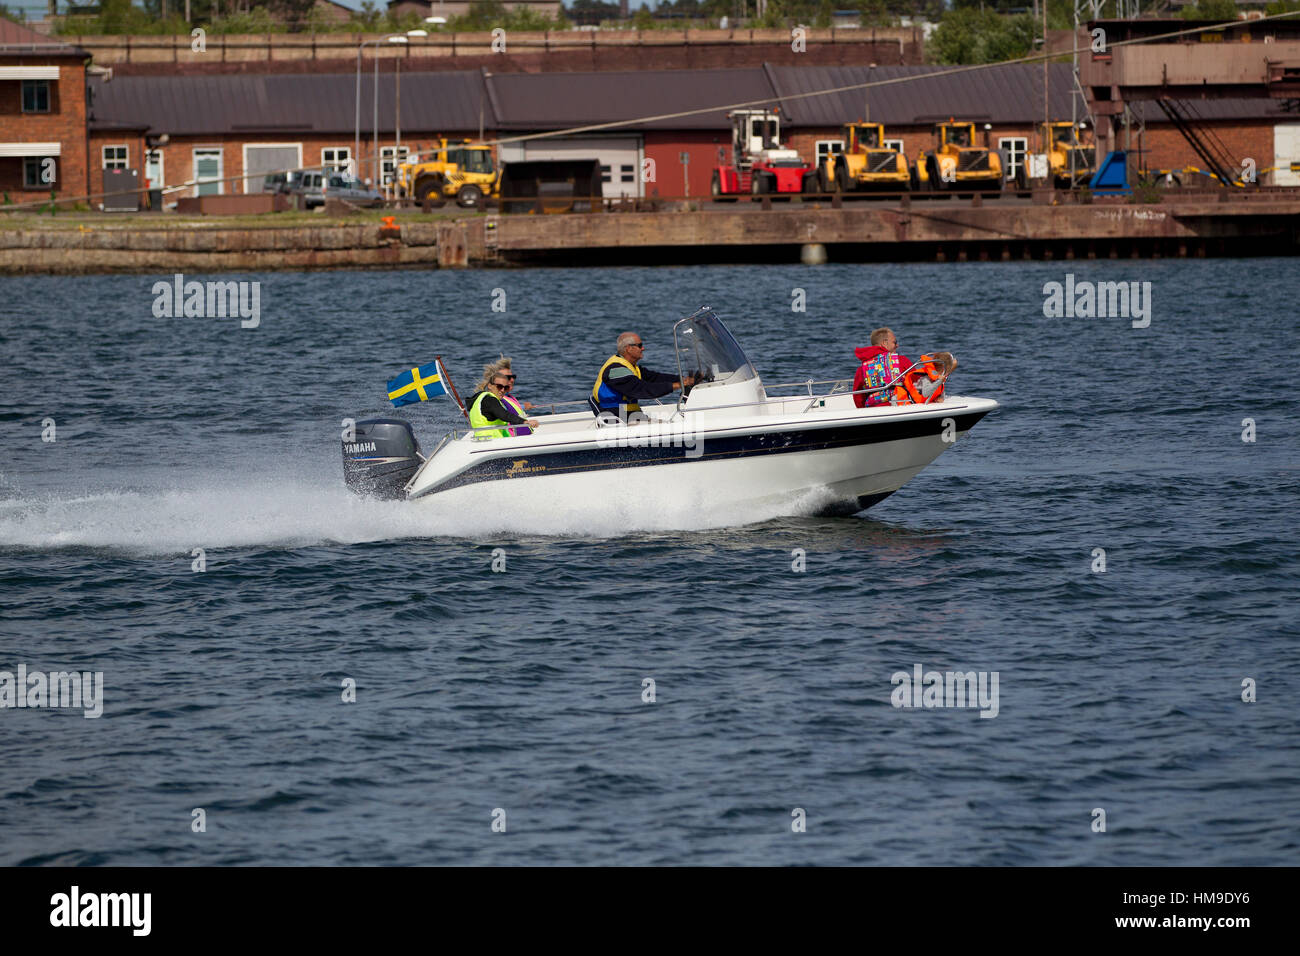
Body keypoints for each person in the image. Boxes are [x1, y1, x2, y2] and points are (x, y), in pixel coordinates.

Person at [591, 332, 694, 421]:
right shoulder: (616, 370)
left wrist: (684, 379)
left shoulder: (630, 366)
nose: (643, 348)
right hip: (617, 417)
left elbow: (654, 378)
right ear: (629, 349)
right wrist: (678, 385)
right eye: (640, 345)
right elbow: (642, 389)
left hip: (628, 416)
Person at [467, 369, 539, 439]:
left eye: (506, 387)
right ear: (490, 386)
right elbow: (504, 415)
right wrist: (525, 422)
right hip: (492, 441)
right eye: (499, 386)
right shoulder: (490, 400)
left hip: (482, 439)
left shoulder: (479, 399)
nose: (502, 390)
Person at [853, 327, 913, 408]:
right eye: (895, 342)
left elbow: (858, 397)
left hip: (873, 410)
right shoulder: (901, 360)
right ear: (885, 343)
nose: (897, 345)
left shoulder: (862, 369)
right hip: (900, 405)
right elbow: (916, 381)